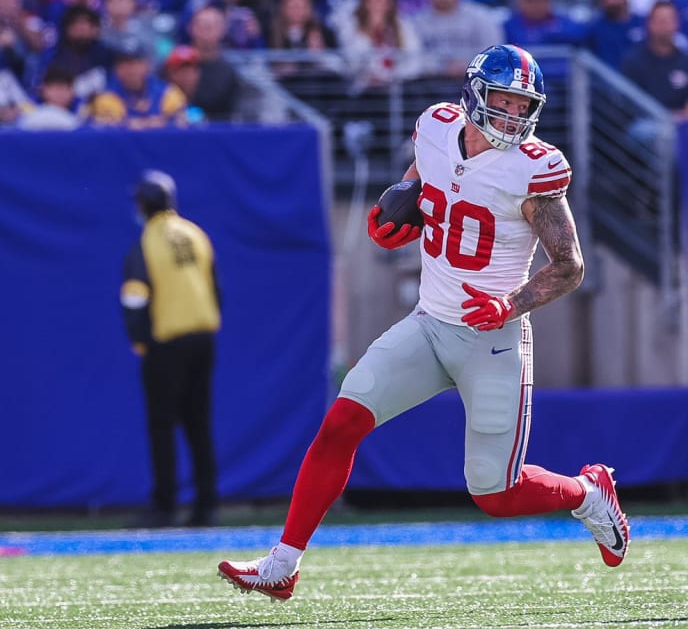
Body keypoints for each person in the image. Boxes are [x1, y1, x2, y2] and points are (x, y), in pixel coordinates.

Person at [218, 44, 630, 601]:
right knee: (341, 422)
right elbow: (421, 178)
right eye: (502, 102)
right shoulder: (436, 126)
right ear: (476, 94)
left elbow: (570, 266)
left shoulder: (533, 168)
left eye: (520, 105)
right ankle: (283, 564)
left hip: (492, 340)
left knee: (495, 494)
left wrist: (509, 304)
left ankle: (586, 493)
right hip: (430, 323)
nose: (511, 116)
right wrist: (401, 207)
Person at [121, 170, 222, 528]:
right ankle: (206, 506)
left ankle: (164, 506)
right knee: (199, 424)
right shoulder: (195, 233)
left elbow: (135, 296)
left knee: (162, 424)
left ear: (143, 205)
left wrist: (140, 340)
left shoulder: (147, 242)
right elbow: (214, 286)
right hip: (203, 337)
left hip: (166, 342)